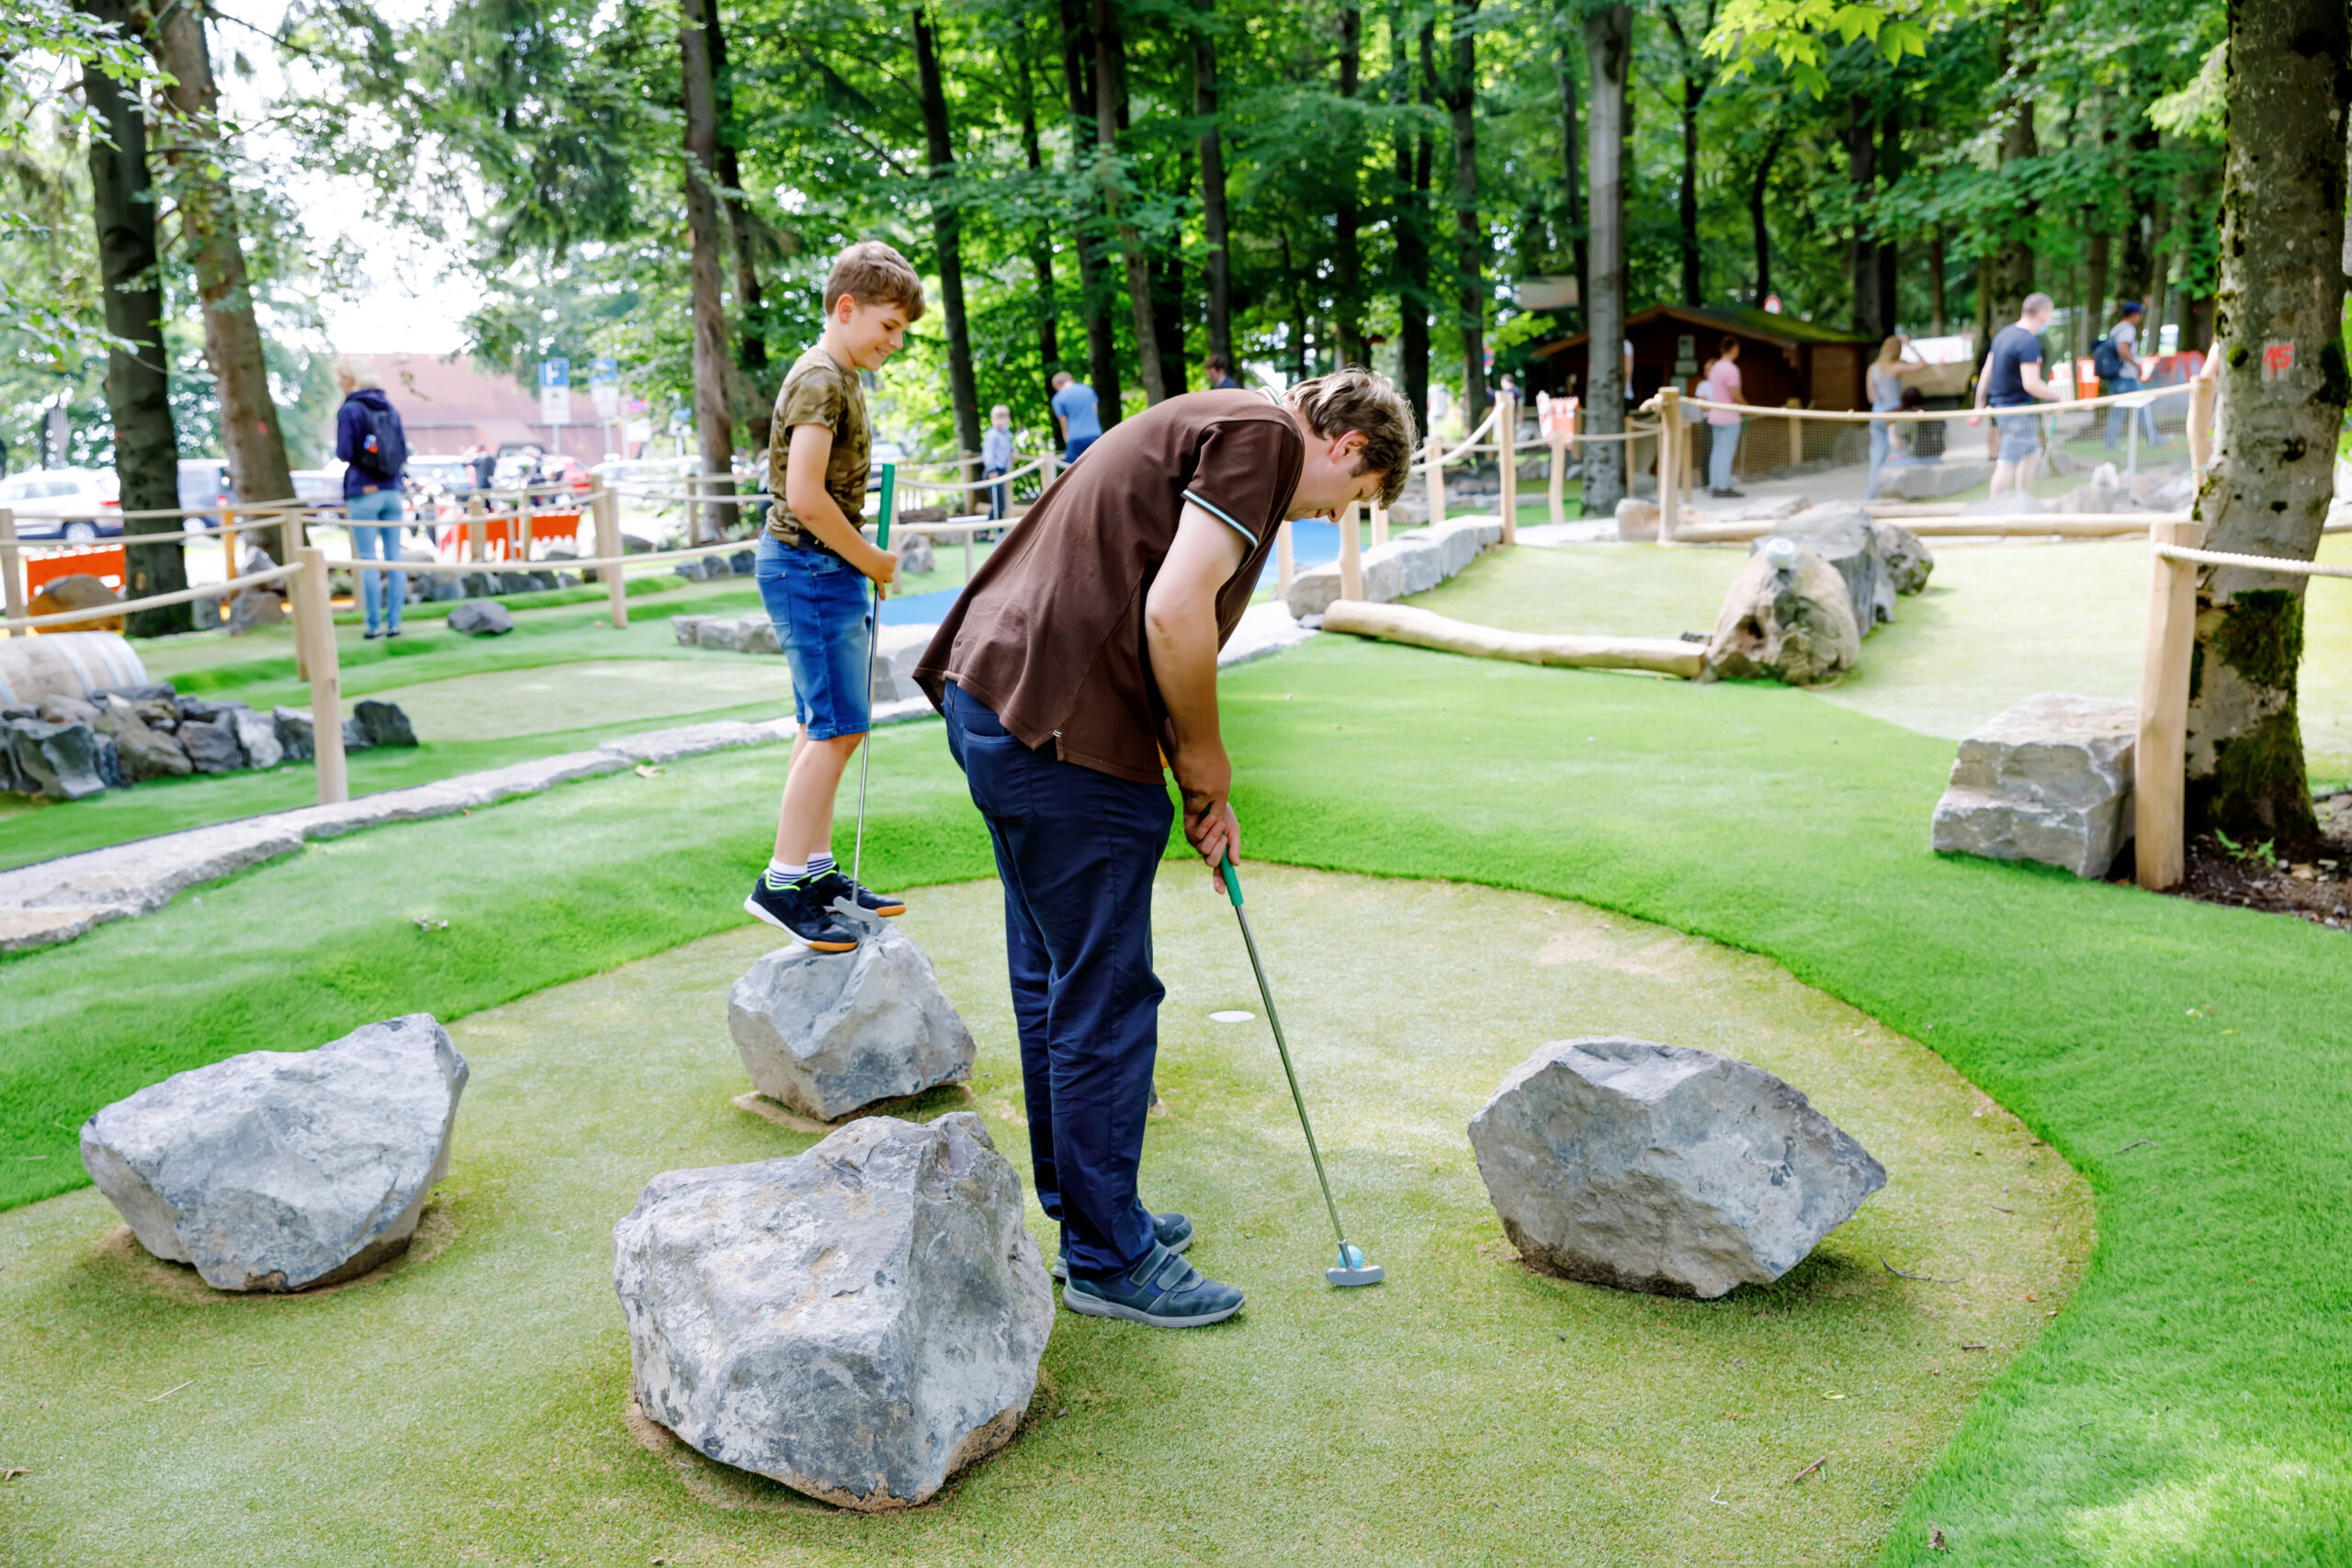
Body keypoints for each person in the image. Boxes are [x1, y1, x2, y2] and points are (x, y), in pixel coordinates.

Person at [915, 367, 1415, 1328]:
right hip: (1053, 728)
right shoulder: (1264, 440)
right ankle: (1107, 1256)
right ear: (1350, 449)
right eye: (1350, 501)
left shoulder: (1211, 420)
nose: (1328, 515)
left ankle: (1087, 1211)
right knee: (1105, 987)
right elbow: (1174, 611)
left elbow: (1144, 595)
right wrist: (1203, 761)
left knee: (1058, 973)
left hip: (999, 700)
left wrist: (1182, 771)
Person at [742, 240, 924, 953]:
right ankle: (782, 882)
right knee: (838, 726)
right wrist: (872, 558)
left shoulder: (840, 375)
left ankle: (815, 871)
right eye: (888, 326)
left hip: (819, 568)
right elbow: (805, 498)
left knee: (822, 721)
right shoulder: (820, 379)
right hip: (809, 566)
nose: (895, 342)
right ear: (846, 309)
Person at [334, 358, 410, 639]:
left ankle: (373, 626)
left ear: (353, 379)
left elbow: (344, 452)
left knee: (367, 560)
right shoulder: (389, 408)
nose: (339, 382)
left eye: (342, 377)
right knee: (394, 559)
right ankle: (395, 623)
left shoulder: (350, 409)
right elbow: (402, 448)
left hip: (363, 491)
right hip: (392, 490)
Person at [1971, 292, 2061, 497]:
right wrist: (2057, 397)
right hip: (2015, 410)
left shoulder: (2003, 335)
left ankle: (2023, 498)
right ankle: (1996, 508)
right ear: (2042, 313)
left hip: (2005, 409)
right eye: (2050, 313)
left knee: (2032, 452)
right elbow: (2031, 383)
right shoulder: (2028, 342)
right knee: (2007, 461)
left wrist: (1979, 404)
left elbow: (1986, 372)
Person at [1865, 335, 1929, 499]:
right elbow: (1923, 364)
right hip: (1892, 416)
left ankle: (1872, 497)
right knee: (1898, 453)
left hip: (1876, 414)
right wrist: (1909, 345)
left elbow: (1871, 397)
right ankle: (1894, 495)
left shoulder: (1872, 368)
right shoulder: (1895, 368)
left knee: (1876, 459)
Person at [2099, 302, 2162, 450]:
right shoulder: (2128, 329)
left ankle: (2110, 443)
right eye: (2139, 315)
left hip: (2114, 377)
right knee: (2142, 406)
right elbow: (2123, 349)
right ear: (2134, 314)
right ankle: (2153, 438)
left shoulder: (2116, 329)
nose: (2140, 318)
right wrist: (2137, 365)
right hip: (2125, 377)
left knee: (2117, 410)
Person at [1701, 338, 1745, 498]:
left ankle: (1715, 485)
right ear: (1734, 349)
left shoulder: (1715, 368)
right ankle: (1724, 487)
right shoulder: (1731, 369)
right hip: (1729, 416)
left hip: (1715, 415)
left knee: (1717, 451)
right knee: (1726, 452)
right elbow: (1734, 394)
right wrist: (1746, 406)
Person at [1050, 371, 1103, 462]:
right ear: (1071, 380)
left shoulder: (1058, 398)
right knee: (1098, 465)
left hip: (1075, 438)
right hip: (1095, 435)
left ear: (1057, 385)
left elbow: (1063, 423)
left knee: (1073, 471)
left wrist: (1067, 440)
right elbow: (1095, 412)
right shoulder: (1088, 390)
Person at [981, 403, 1015, 523]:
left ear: (1007, 419)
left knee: (1001, 504)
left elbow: (1010, 449)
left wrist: (1013, 454)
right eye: (996, 418)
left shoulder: (1007, 434)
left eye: (1002, 418)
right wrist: (991, 470)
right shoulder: (992, 434)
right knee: (998, 504)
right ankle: (984, 530)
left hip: (1002, 471)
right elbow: (988, 454)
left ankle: (1000, 530)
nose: (999, 421)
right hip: (994, 471)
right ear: (992, 419)